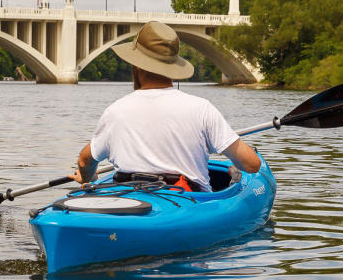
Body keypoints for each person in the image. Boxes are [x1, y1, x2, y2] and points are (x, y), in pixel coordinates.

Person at [70, 21, 261, 191]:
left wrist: (89, 178)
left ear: (136, 65)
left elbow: (84, 161)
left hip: (128, 199)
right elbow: (252, 165)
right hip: (187, 203)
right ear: (173, 68)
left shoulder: (115, 111)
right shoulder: (202, 109)